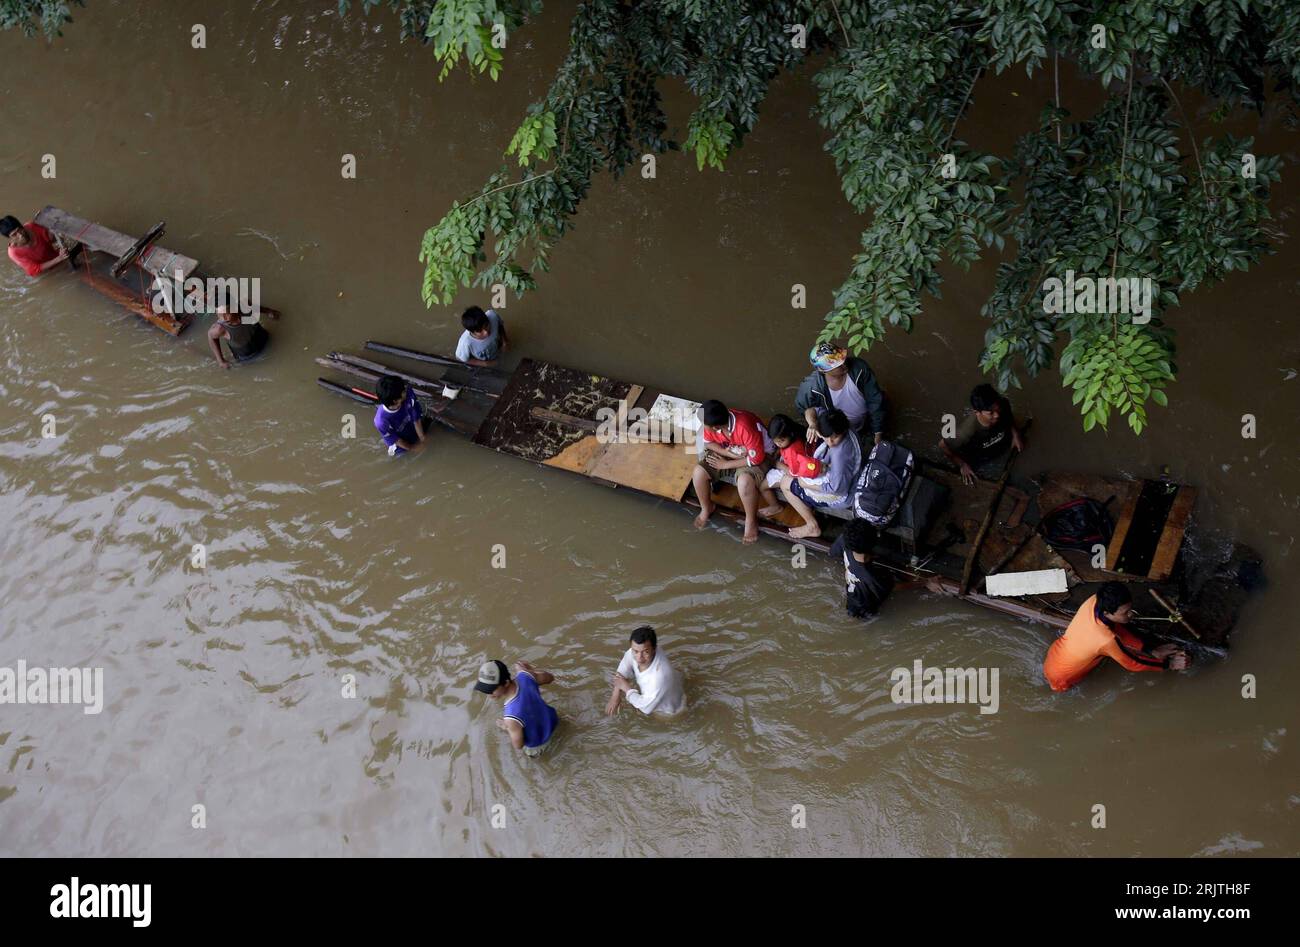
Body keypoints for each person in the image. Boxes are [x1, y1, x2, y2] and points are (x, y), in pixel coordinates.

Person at [1042, 581, 1189, 692]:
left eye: (1130, 609)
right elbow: (1132, 663)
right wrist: (1169, 664)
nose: (1131, 614)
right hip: (1064, 679)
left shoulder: (1094, 601)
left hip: (1055, 654)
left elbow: (1116, 627)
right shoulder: (1105, 640)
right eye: (1125, 612)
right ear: (1107, 613)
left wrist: (1151, 649)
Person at [692, 399, 781, 543]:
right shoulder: (717, 424)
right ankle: (706, 508)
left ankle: (751, 520)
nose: (703, 427)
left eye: (705, 425)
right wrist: (728, 454)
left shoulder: (745, 427)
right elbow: (708, 442)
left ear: (715, 427)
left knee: (744, 482)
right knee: (698, 473)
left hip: (761, 456)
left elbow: (756, 459)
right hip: (732, 451)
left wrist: (725, 465)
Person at [828, 520, 945, 618]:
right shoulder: (874, 576)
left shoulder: (846, 539)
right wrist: (925, 582)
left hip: (853, 595)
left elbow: (832, 553)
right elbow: (895, 587)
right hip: (867, 611)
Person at [777, 408, 862, 540]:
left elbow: (837, 490)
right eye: (826, 437)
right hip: (848, 474)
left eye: (835, 437)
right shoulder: (838, 421)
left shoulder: (840, 456)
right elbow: (811, 410)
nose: (830, 442)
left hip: (844, 494)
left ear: (843, 430)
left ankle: (812, 526)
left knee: (785, 483)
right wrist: (812, 424)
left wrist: (805, 484)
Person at [795, 342, 886, 445]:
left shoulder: (859, 368)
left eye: (842, 359)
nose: (844, 364)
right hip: (842, 430)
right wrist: (813, 424)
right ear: (823, 370)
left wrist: (878, 432)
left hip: (868, 420)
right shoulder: (811, 387)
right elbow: (805, 408)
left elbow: (875, 400)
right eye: (837, 365)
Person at [939, 383, 1026, 485]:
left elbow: (1008, 416)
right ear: (977, 412)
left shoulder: (1002, 404)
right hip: (980, 452)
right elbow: (942, 445)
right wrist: (962, 465)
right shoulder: (965, 433)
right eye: (991, 413)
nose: (997, 415)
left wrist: (1015, 435)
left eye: (997, 409)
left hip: (999, 441)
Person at [474, 659, 559, 757]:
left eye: (491, 690)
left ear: (506, 683)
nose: (488, 694)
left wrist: (507, 727)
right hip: (554, 721)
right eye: (485, 689)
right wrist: (529, 671)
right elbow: (549, 678)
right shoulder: (526, 676)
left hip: (539, 743)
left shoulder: (511, 717)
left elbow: (518, 745)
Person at [605, 626, 686, 717]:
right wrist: (615, 696)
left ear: (654, 649)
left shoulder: (659, 676)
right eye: (635, 651)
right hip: (667, 687)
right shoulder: (635, 650)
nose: (639, 657)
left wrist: (626, 688)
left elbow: (646, 709)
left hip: (668, 711)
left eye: (645, 652)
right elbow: (621, 673)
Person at [373, 374, 434, 457]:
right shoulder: (381, 421)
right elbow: (396, 440)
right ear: (395, 401)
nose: (406, 390)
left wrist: (423, 438)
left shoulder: (408, 394)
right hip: (400, 441)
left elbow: (416, 417)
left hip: (411, 426)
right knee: (405, 457)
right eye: (403, 391)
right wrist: (413, 448)